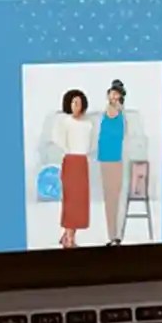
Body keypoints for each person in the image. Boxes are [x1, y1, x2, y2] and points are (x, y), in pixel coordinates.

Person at [51, 89, 93, 248]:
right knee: (71, 200)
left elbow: (90, 143)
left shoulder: (88, 124)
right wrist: (68, 149)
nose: (77, 106)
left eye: (79, 103)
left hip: (83, 162)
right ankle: (69, 237)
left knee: (80, 202)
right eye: (74, 103)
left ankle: (68, 235)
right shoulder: (65, 121)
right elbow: (57, 138)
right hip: (70, 161)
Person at [96, 80, 128, 245]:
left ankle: (114, 235)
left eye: (117, 94)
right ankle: (113, 235)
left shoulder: (116, 111)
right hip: (108, 159)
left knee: (113, 197)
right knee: (111, 198)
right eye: (112, 93)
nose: (113, 96)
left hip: (113, 159)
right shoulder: (112, 111)